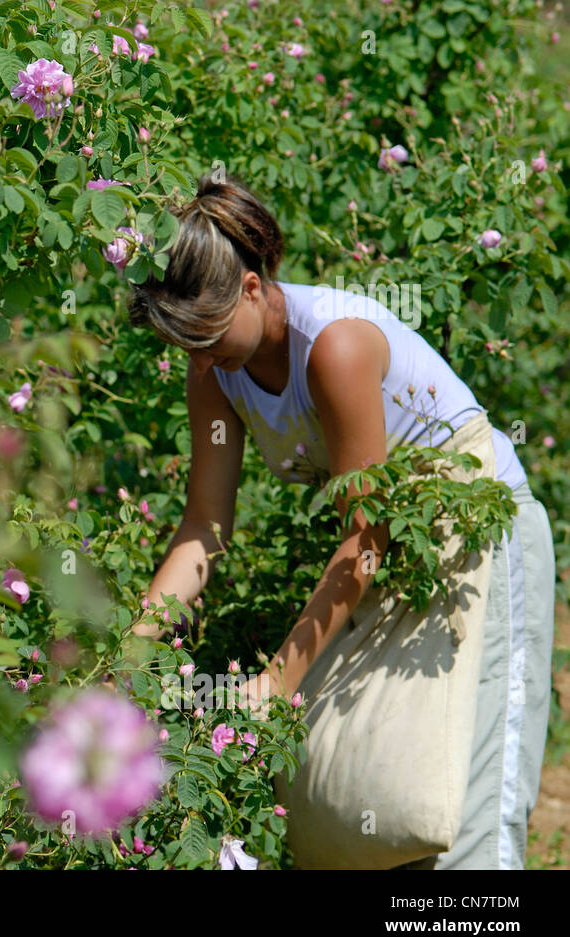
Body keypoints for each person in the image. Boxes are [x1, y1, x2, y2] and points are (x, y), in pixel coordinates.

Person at [125, 173, 555, 869]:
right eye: (185, 343)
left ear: (254, 287)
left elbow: (365, 538)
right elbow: (206, 526)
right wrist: (132, 650)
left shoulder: (334, 348)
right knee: (371, 801)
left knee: (471, 809)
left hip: (479, 538)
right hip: (389, 554)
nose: (200, 357)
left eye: (206, 334)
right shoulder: (214, 371)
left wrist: (272, 685)